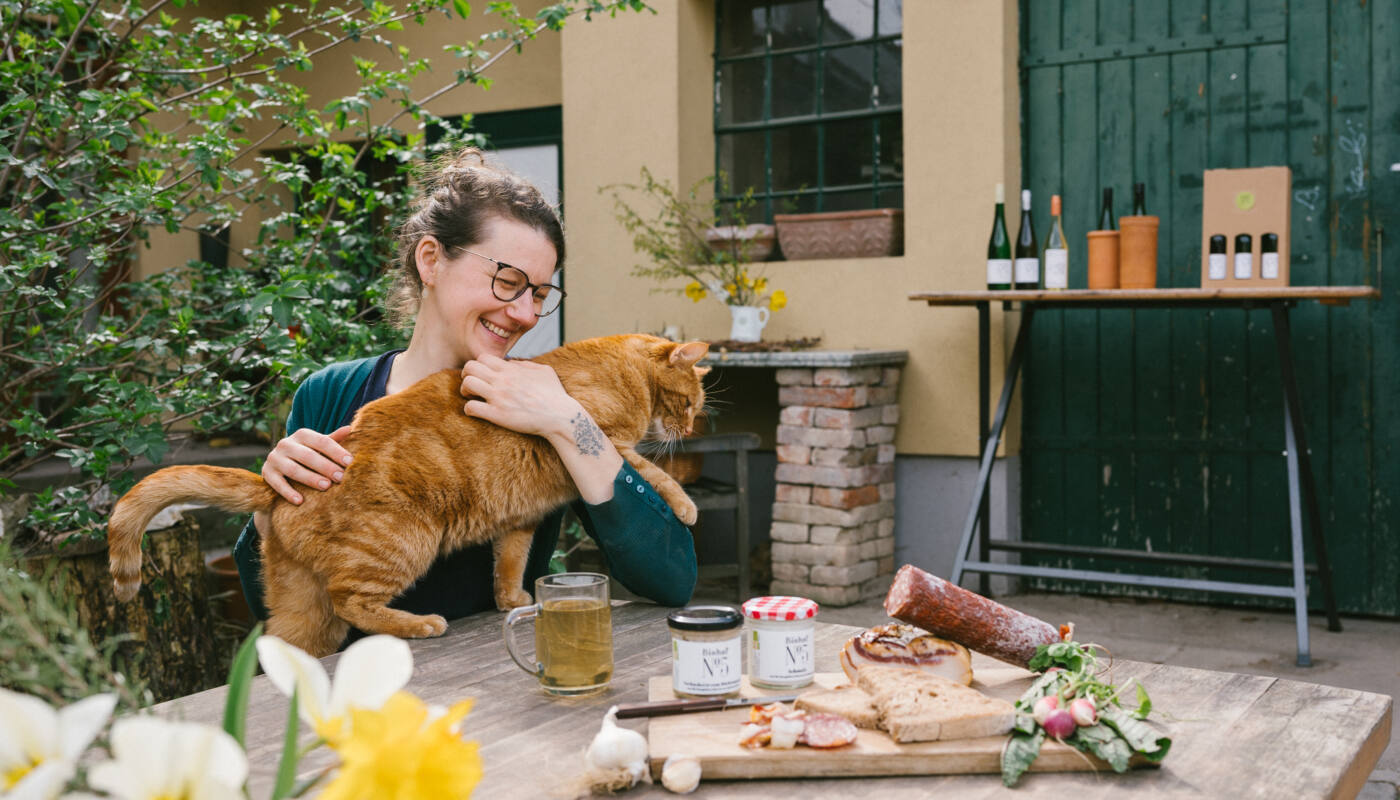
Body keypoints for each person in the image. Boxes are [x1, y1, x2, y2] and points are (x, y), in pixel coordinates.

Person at [233, 148, 698, 634]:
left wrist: (570, 423)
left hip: (498, 688)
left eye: (539, 294)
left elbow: (670, 579)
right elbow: (271, 604)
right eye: (507, 282)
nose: (524, 314)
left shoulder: (543, 395)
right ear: (431, 259)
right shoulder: (327, 393)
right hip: (362, 692)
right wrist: (271, 510)